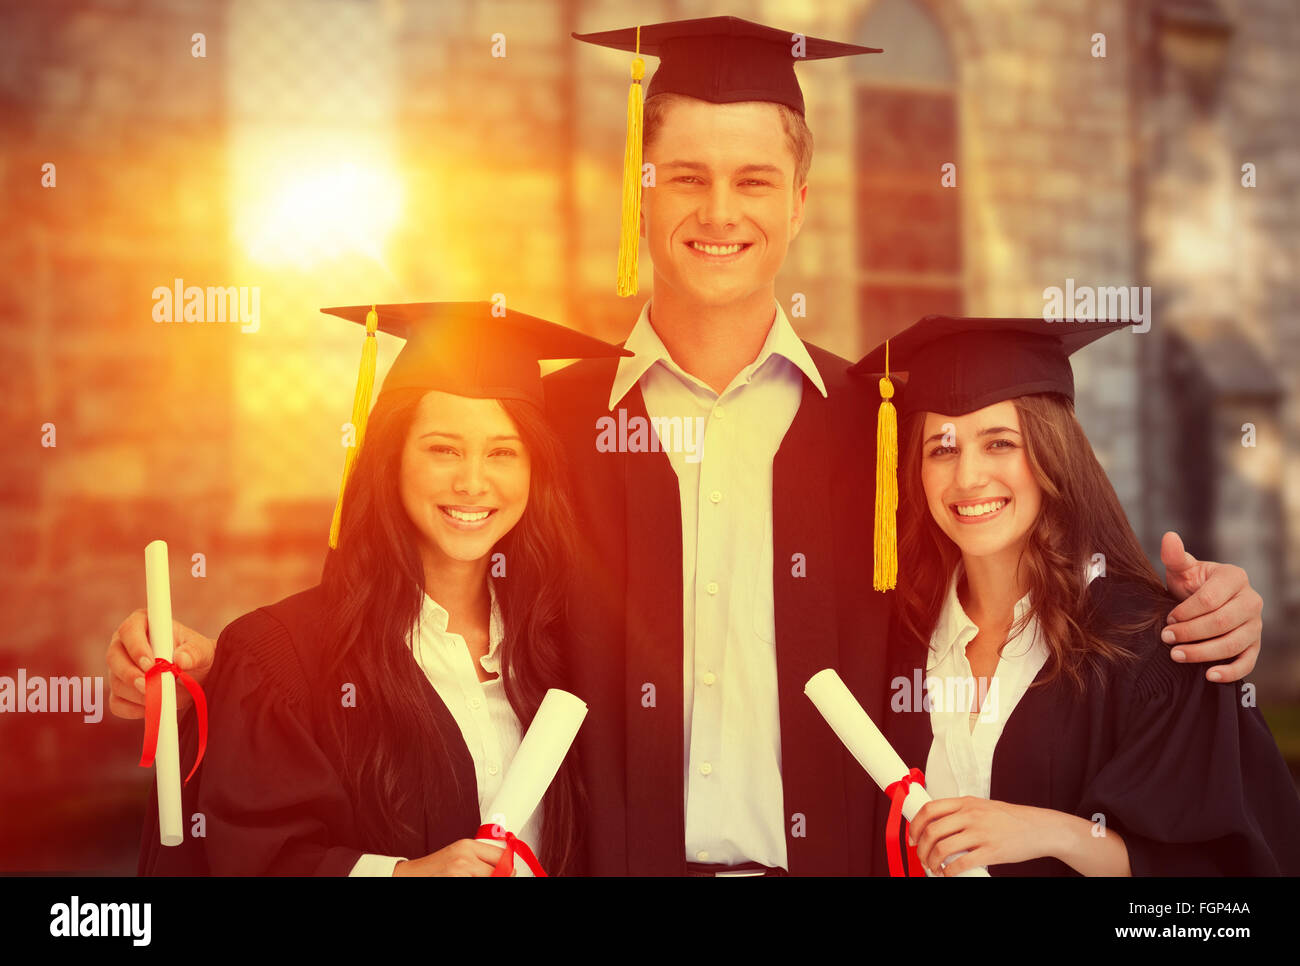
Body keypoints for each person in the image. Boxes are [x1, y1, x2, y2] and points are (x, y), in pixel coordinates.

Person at [112, 16, 1267, 876]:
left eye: (756, 178)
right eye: (690, 176)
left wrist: (1205, 624)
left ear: (801, 199)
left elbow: (1011, 571)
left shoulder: (881, 428)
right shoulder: (544, 436)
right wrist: (236, 672)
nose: (722, 211)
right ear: (644, 184)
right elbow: (422, 592)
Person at [133, 302, 628, 876]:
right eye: (443, 449)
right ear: (390, 459)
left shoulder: (561, 649)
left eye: (502, 452)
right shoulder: (283, 659)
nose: (472, 482)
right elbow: (248, 858)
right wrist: (401, 875)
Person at [854, 315, 1300, 876]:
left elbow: (1220, 880)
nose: (967, 477)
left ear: (1050, 453)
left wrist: (1055, 833)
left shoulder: (1150, 649)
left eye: (1000, 443)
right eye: (941, 449)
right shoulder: (894, 637)